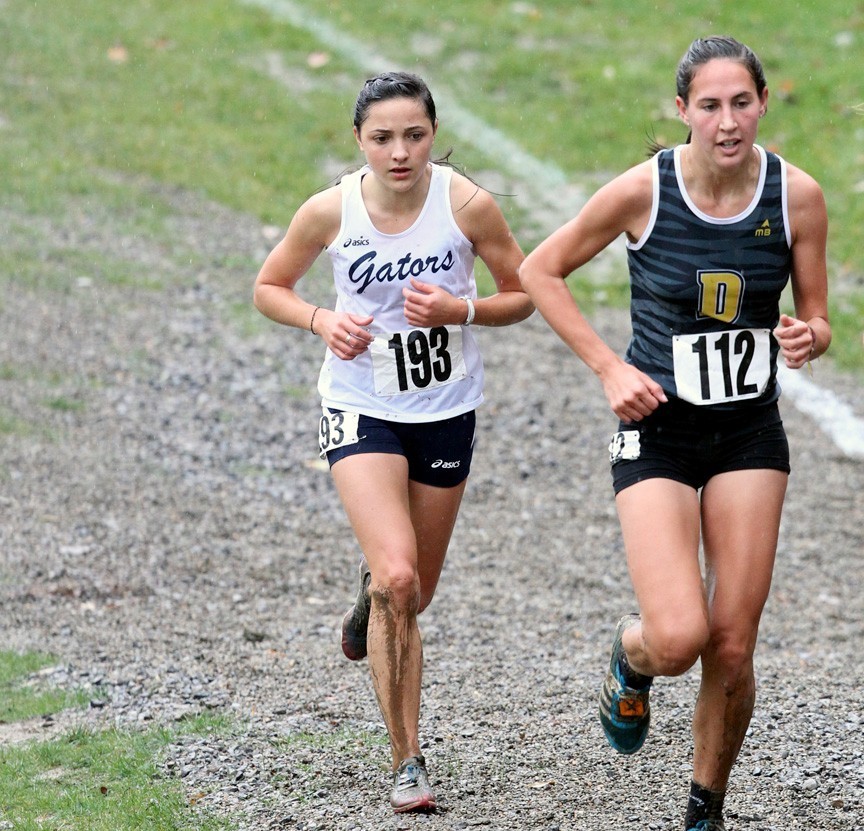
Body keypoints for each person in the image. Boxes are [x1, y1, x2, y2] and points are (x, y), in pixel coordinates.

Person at [519, 36, 829, 831]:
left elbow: (818, 314)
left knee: (732, 641)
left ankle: (704, 809)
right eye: (710, 105)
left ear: (762, 102)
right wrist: (606, 368)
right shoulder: (642, 192)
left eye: (742, 103)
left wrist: (810, 336)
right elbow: (539, 270)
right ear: (682, 110)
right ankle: (631, 653)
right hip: (656, 430)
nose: (728, 122)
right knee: (681, 634)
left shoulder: (797, 196)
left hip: (749, 431)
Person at [253, 71, 532, 813]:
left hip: (444, 411)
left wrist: (459, 308)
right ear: (359, 142)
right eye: (382, 137)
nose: (399, 151)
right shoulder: (330, 211)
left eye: (414, 135)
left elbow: (525, 292)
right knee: (401, 579)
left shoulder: (467, 205)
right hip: (360, 405)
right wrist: (320, 320)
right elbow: (268, 285)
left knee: (414, 592)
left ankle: (368, 598)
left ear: (433, 134)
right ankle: (407, 758)